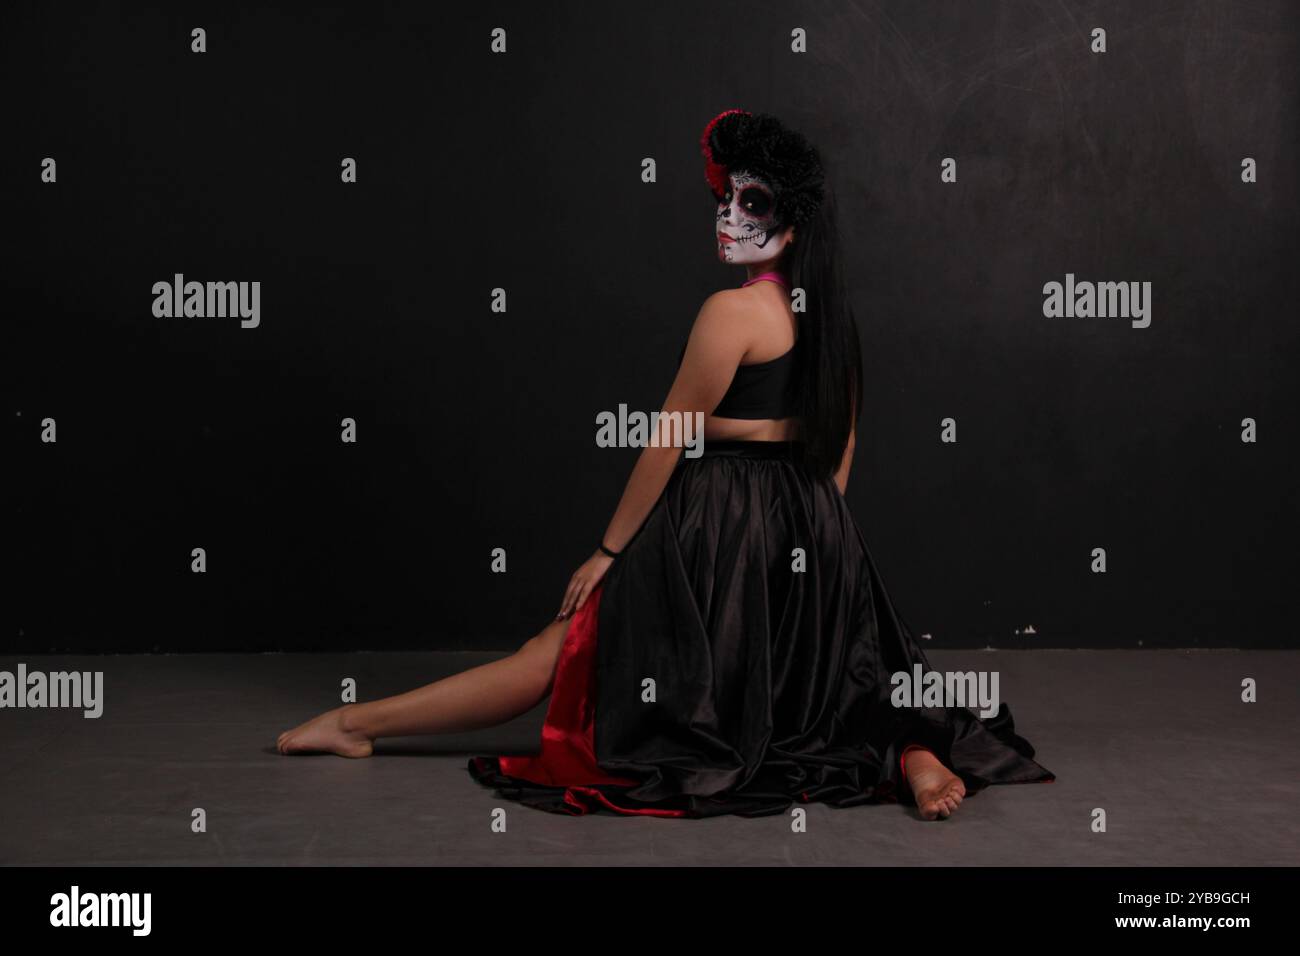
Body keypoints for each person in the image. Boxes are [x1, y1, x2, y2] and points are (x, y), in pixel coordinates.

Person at [277, 109, 1055, 820]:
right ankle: (913, 752)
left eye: (752, 202)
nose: (728, 215)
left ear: (792, 223)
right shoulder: (831, 321)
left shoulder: (732, 313)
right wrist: (820, 544)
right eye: (725, 198)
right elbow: (841, 444)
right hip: (815, 523)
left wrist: (609, 549)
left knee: (556, 653)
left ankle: (355, 722)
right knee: (821, 681)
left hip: (717, 519)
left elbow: (668, 438)